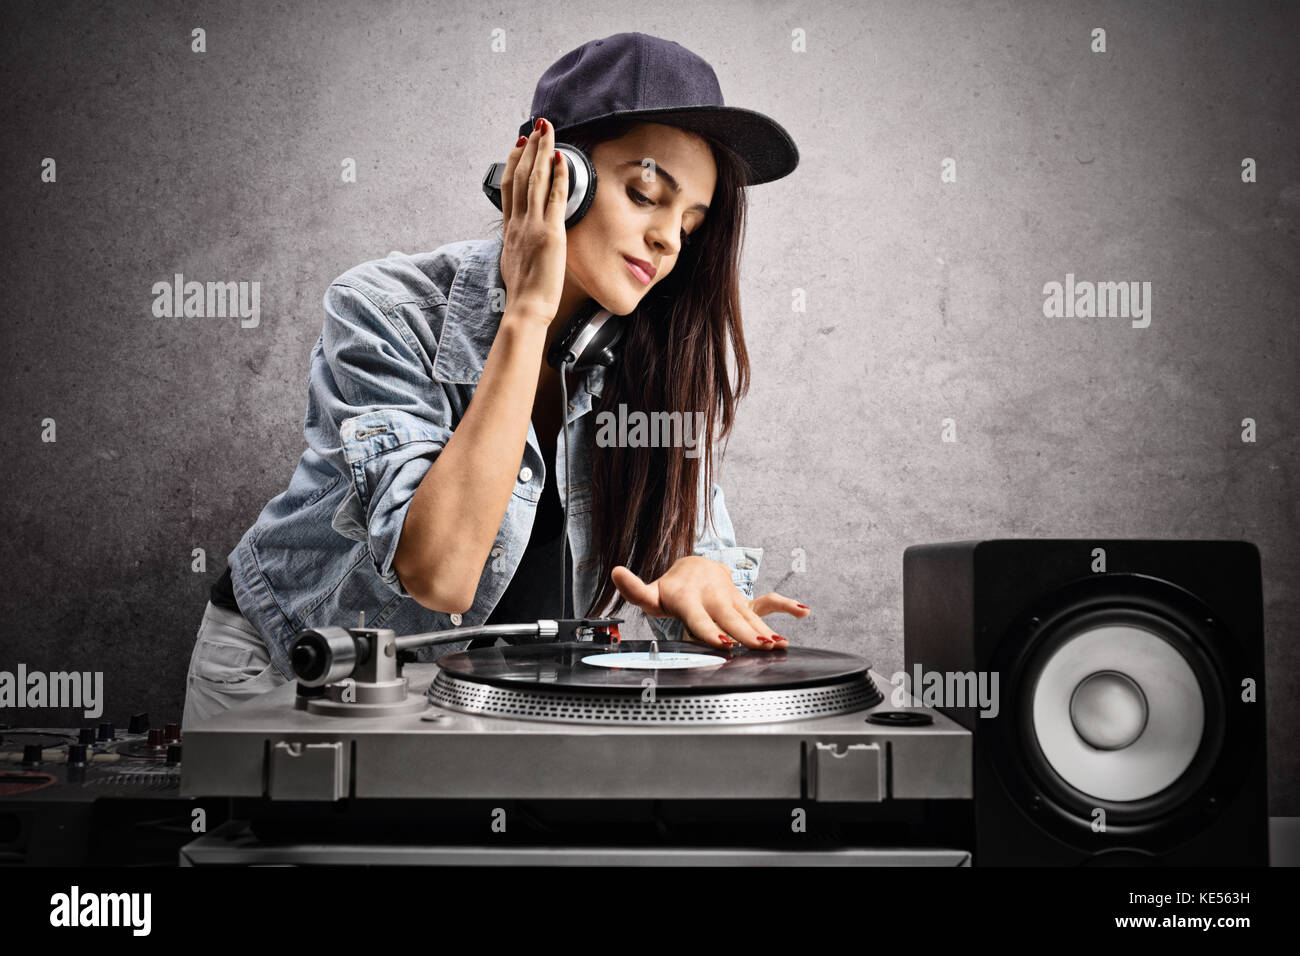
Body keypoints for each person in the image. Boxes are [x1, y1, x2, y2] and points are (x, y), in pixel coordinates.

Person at [182, 32, 810, 729]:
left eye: (690, 224)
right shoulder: (382, 309)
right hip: (289, 672)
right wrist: (528, 315)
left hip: (480, 694)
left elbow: (700, 574)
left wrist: (703, 580)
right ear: (553, 175)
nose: (668, 240)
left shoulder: (656, 358)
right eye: (644, 194)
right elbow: (441, 575)